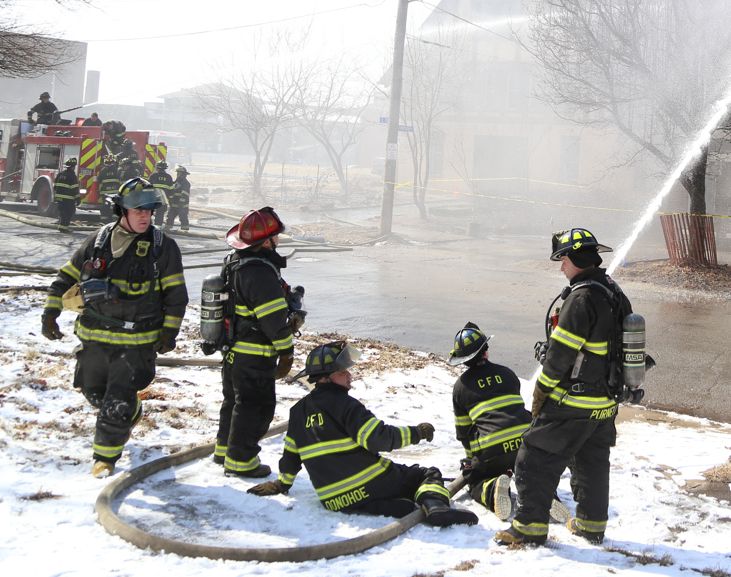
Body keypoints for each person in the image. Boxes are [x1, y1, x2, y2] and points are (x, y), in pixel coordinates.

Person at [40, 177, 186, 477]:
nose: (145, 216)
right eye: (138, 210)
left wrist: (169, 332)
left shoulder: (163, 248)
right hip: (94, 336)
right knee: (94, 393)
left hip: (136, 341)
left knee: (117, 398)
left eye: (149, 210)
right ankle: (132, 410)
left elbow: (176, 295)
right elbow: (66, 277)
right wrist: (50, 313)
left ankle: (104, 459)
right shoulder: (98, 240)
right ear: (122, 211)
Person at [246, 342, 479, 528]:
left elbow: (290, 457)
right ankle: (438, 509)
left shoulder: (297, 412)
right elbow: (379, 438)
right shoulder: (345, 405)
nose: (349, 375)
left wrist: (281, 484)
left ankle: (393, 506)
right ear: (325, 378)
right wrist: (416, 433)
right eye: (342, 372)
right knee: (426, 474)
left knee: (401, 503)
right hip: (370, 483)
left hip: (333, 499)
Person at [497, 228, 632, 547]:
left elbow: (560, 356)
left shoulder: (581, 298)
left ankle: (528, 528)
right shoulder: (614, 292)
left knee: (533, 459)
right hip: (604, 405)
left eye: (564, 261)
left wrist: (540, 392)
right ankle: (591, 526)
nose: (561, 268)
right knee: (591, 465)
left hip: (573, 404)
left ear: (576, 259)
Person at [214, 206, 299, 478]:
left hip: (233, 350)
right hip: (255, 354)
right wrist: (286, 352)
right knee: (255, 407)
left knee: (234, 402)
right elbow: (273, 321)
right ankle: (241, 461)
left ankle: (224, 451)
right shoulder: (261, 273)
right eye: (276, 236)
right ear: (266, 241)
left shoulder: (234, 261)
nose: (278, 240)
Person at [448, 322, 532, 520]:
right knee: (530, 472)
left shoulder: (460, 387)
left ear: (463, 361)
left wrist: (472, 462)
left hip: (492, 450)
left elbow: (463, 432)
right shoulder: (507, 373)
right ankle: (542, 492)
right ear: (485, 350)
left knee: (476, 480)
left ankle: (492, 489)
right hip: (526, 443)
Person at [53, 159, 79, 230]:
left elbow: (55, 186)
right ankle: (63, 228)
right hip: (68, 199)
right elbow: (74, 188)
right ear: (73, 167)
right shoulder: (72, 175)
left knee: (62, 213)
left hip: (59, 198)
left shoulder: (60, 174)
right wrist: (78, 198)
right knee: (68, 213)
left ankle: (61, 227)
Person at [165, 166, 191, 231]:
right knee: (170, 217)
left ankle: (185, 231)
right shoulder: (176, 183)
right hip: (174, 204)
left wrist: (181, 203)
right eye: (177, 173)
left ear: (183, 174)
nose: (177, 174)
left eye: (179, 173)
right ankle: (167, 230)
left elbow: (185, 194)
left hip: (182, 205)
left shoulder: (186, 183)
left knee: (183, 218)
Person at [148, 162, 173, 226]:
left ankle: (148, 225)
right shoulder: (168, 177)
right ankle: (158, 227)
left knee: (148, 212)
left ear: (157, 167)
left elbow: (148, 187)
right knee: (160, 214)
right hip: (163, 199)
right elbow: (171, 190)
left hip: (153, 198)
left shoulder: (153, 176)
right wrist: (170, 200)